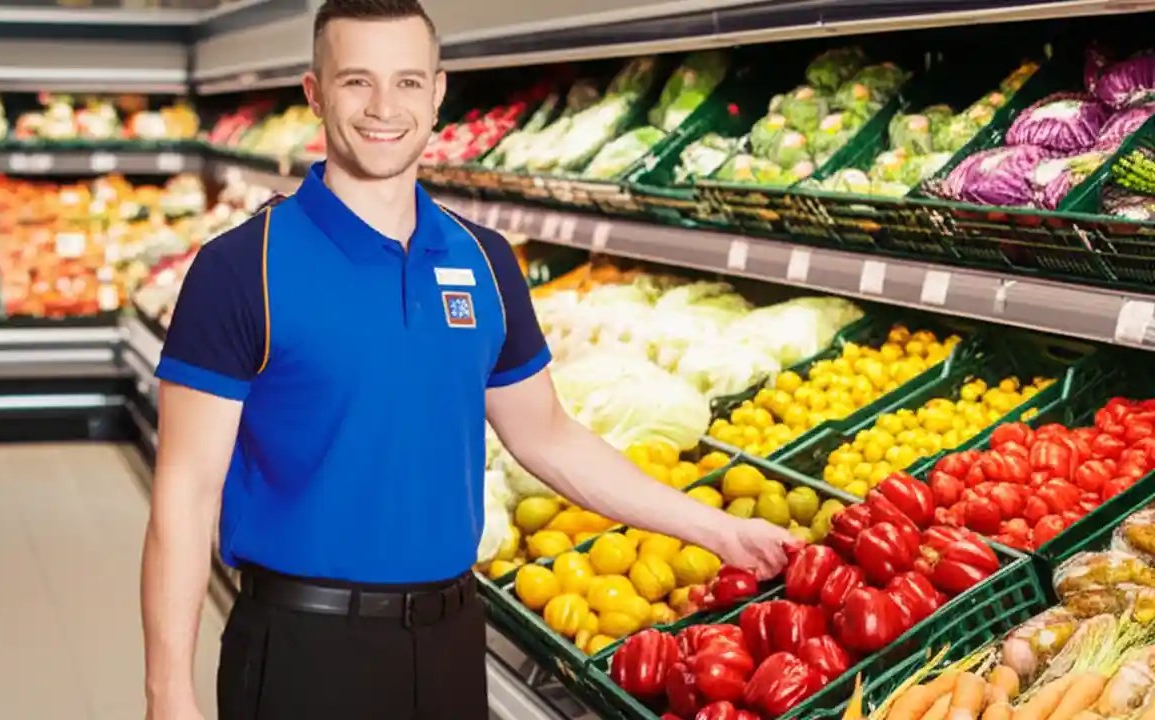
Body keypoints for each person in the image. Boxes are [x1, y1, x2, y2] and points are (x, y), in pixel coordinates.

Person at [140, 1, 796, 718]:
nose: (384, 107)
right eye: (356, 82)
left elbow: (547, 436)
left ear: (439, 91)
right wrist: (168, 694)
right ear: (315, 92)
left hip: (452, 640)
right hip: (304, 648)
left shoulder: (483, 262)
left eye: (408, 82)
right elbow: (185, 495)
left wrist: (718, 528)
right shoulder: (241, 268)